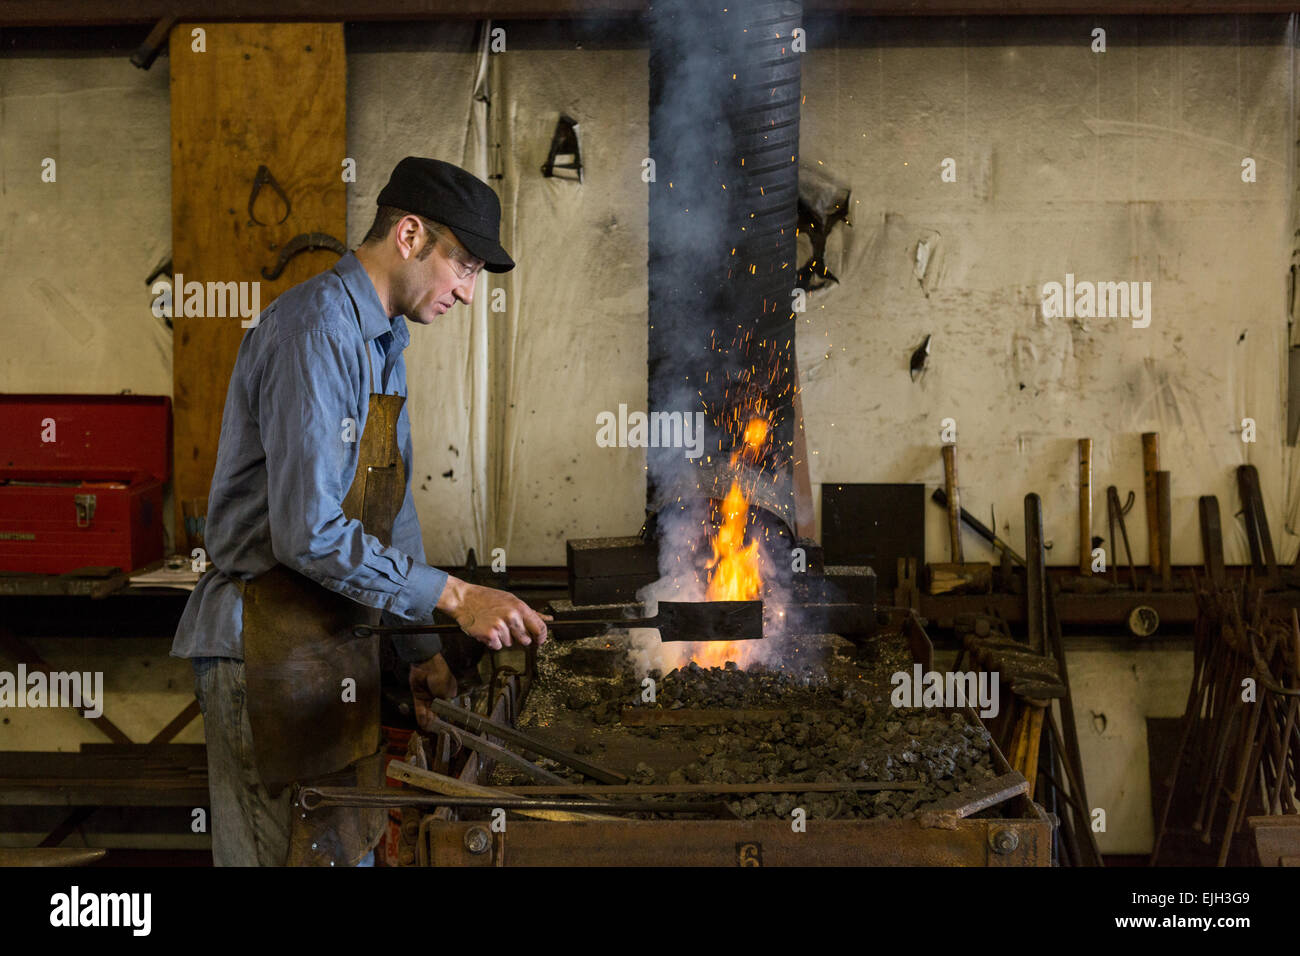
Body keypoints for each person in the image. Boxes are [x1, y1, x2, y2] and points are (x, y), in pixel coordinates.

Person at [171, 157, 548, 866]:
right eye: (463, 266)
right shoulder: (313, 332)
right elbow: (307, 529)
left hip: (332, 647)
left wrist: (421, 650)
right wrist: (457, 595)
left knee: (340, 852)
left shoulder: (383, 340)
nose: (468, 293)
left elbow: (388, 509)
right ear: (410, 236)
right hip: (264, 649)